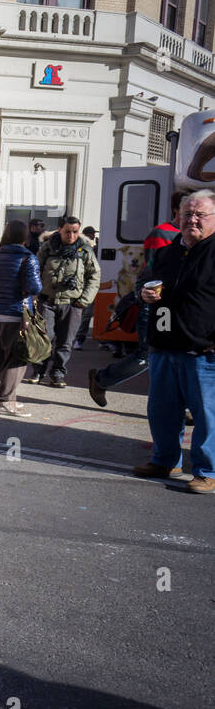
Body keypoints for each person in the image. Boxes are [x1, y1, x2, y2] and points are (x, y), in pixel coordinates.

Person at [132, 190, 215, 493]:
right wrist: (144, 294)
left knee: (207, 415)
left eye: (200, 215)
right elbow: (144, 281)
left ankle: (208, 471)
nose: (192, 220)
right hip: (165, 344)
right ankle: (166, 460)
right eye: (187, 214)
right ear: (177, 216)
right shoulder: (167, 252)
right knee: (163, 411)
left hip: (203, 350)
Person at [88, 202, 182, 406]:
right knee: (149, 353)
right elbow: (154, 272)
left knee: (176, 355)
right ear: (178, 210)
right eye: (190, 212)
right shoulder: (163, 234)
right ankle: (102, 379)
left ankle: (185, 404)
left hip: (178, 308)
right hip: (159, 306)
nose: (195, 219)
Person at [30, 215, 99, 388]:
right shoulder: (48, 247)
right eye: (67, 231)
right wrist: (35, 293)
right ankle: (39, 370)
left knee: (66, 341)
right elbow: (35, 270)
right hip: (48, 301)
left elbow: (94, 277)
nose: (71, 235)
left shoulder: (85, 251)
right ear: (60, 229)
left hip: (72, 303)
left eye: (75, 232)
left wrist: (84, 300)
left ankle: (58, 373)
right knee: (45, 338)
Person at [0, 220, 42, 416]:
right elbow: (35, 288)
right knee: (17, 358)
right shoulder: (29, 258)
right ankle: (6, 400)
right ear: (25, 236)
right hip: (17, 313)